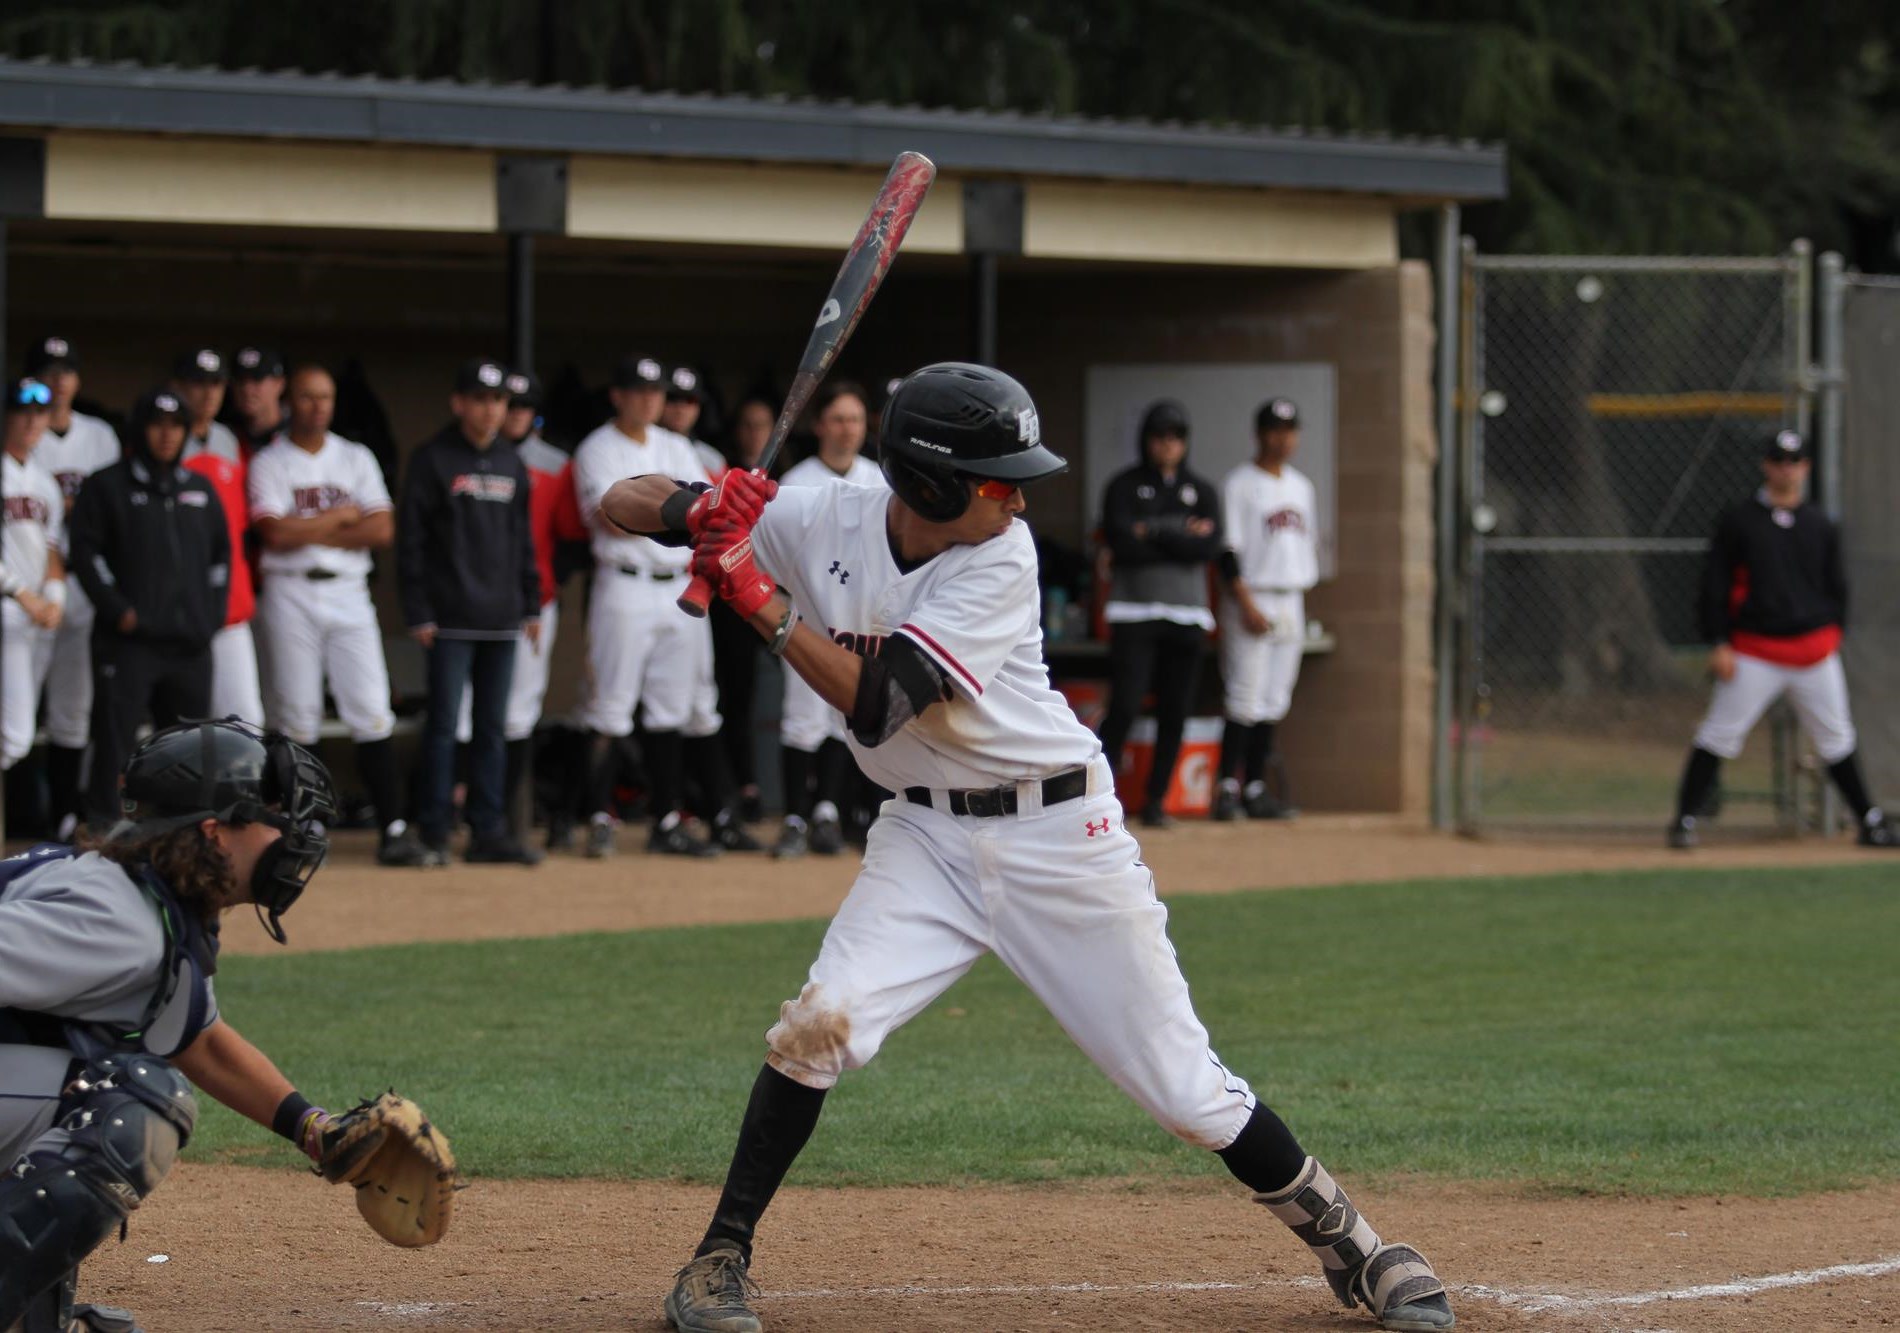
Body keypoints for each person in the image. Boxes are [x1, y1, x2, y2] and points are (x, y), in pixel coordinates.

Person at [604, 362, 1454, 1333]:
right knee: (818, 1024)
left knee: (1186, 1090)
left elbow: (878, 706)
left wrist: (756, 591)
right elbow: (618, 499)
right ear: (931, 483)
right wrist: (706, 507)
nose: (1017, 499)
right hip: (924, 836)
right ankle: (718, 1256)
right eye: (999, 480)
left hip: (1059, 836)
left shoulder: (1002, 560)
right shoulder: (819, 516)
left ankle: (1357, 1247)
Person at [0, 718, 343, 1332]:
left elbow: (202, 1044)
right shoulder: (119, 923)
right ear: (215, 833)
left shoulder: (152, 908)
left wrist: (314, 1128)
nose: (291, 836)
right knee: (127, 1106)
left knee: (106, 1080)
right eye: (272, 818)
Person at [1668, 428, 1899, 849]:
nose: (1786, 469)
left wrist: (1831, 633)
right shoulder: (1740, 520)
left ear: (1806, 467)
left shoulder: (1819, 524)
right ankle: (1684, 820)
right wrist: (1719, 640)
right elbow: (1715, 584)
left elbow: (1836, 588)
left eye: (1794, 462)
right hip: (1754, 651)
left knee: (1836, 737)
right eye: (1778, 461)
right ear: (1766, 466)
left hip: (1813, 652)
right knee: (1720, 734)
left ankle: (1869, 821)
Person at [248, 366, 424, 867]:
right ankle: (306, 828)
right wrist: (343, 518)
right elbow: (274, 533)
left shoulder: (355, 456)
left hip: (349, 592)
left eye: (325, 397)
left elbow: (382, 530)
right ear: (290, 402)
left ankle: (393, 828)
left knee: (371, 708)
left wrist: (308, 526)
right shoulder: (270, 461)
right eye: (307, 397)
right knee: (297, 714)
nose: (317, 406)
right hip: (290, 591)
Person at [570, 354, 720, 858]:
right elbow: (611, 520)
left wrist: (663, 513)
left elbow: (707, 514)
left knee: (670, 709)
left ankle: (666, 819)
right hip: (624, 585)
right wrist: (677, 514)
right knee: (609, 706)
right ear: (617, 396)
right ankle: (597, 816)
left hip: (676, 585)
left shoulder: (676, 445)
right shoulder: (598, 447)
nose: (649, 400)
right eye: (638, 390)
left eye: (656, 391)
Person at [397, 358, 543, 866]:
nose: (489, 409)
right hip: (449, 618)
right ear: (458, 403)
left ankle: (488, 831)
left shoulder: (512, 462)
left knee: (491, 729)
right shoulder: (432, 459)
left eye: (498, 400)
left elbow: (523, 539)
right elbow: (411, 541)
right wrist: (417, 610)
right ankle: (435, 829)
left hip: (502, 617)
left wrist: (531, 602)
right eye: (479, 399)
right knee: (442, 728)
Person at [67, 389, 231, 833]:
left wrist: (211, 616)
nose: (166, 435)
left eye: (176, 426)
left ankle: (183, 836)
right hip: (129, 642)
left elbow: (221, 558)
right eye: (157, 425)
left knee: (189, 748)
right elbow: (85, 554)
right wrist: (118, 610)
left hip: (189, 643)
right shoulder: (106, 486)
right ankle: (105, 831)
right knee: (115, 741)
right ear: (140, 430)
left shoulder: (199, 488)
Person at [454, 370, 588, 846]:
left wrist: (547, 583)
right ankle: (459, 812)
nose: (514, 415)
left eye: (523, 406)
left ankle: (504, 819)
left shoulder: (553, 464)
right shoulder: (464, 457)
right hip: (468, 603)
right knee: (465, 710)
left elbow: (572, 535)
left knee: (518, 712)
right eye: (507, 405)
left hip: (532, 605)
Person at [769, 382, 884, 859]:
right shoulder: (796, 479)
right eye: (837, 419)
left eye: (854, 419)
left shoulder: (878, 478)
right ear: (819, 425)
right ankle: (795, 816)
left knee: (843, 716)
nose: (846, 429)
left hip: (859, 614)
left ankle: (828, 813)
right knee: (802, 718)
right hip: (807, 611)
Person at [1097, 399, 1223, 828]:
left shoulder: (1202, 490)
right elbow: (1122, 544)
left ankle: (1156, 801)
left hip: (1187, 613)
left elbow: (1207, 548)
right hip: (1135, 611)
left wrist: (1150, 529)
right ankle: (1099, 799)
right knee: (1126, 704)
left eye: (1176, 437)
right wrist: (1178, 531)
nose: (1168, 445)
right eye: (1159, 436)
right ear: (1146, 440)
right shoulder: (1123, 486)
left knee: (1176, 709)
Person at [23, 337, 120, 839]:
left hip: (82, 585)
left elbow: (112, 507)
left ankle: (63, 814)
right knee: (16, 707)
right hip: (29, 586)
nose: (58, 380)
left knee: (72, 707)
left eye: (66, 370)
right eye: (48, 371)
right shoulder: (22, 432)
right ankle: (21, 811)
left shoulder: (99, 436)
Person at [1212, 397, 1318, 821]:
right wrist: (1244, 602)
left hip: (1291, 595)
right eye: (1275, 430)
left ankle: (1255, 788)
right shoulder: (1239, 483)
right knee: (1244, 695)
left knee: (1275, 697)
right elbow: (1228, 552)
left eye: (1290, 430)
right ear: (1259, 434)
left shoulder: (1302, 487)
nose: (1283, 439)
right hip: (1252, 594)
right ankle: (1227, 787)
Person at [710, 395, 780, 823]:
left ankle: (806, 796)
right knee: (736, 696)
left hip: (782, 596)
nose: (755, 434)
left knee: (805, 702)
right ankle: (745, 786)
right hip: (735, 599)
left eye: (763, 425)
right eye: (748, 425)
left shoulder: (790, 477)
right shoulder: (724, 475)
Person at [1, 379, 65, 775]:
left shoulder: (45, 482)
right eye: (22, 412)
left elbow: (52, 549)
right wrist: (21, 592)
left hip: (34, 615)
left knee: (14, 735)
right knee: (16, 736)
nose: (31, 421)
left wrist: (55, 599)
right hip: (9, 605)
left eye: (39, 413)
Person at [183, 425, 265, 726]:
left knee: (244, 721)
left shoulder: (228, 441)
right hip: (176, 615)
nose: (207, 397)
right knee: (182, 724)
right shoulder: (160, 448)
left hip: (229, 608)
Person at [174, 347, 241, 465]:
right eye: (199, 383)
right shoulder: (166, 439)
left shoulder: (226, 438)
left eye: (216, 383)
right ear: (179, 387)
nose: (209, 394)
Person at [664, 365, 726, 481]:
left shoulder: (712, 460)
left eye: (689, 400)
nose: (680, 408)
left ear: (699, 408)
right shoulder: (640, 445)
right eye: (673, 398)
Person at [225, 345, 287, 458]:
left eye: (257, 379)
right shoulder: (224, 436)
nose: (247, 389)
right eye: (240, 380)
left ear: (279, 384)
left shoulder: (298, 434)